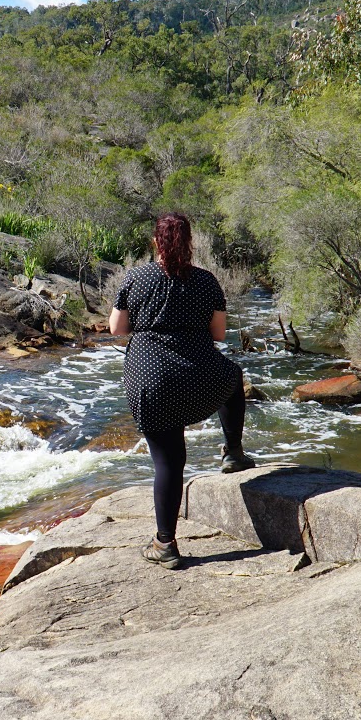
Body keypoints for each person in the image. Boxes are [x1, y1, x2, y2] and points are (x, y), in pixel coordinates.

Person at [108, 213, 254, 569]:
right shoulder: (206, 280)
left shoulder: (137, 277)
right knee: (233, 377)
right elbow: (218, 334)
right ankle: (233, 452)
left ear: (156, 242)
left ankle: (165, 544)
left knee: (169, 461)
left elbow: (116, 328)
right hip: (200, 375)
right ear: (189, 242)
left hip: (151, 377)